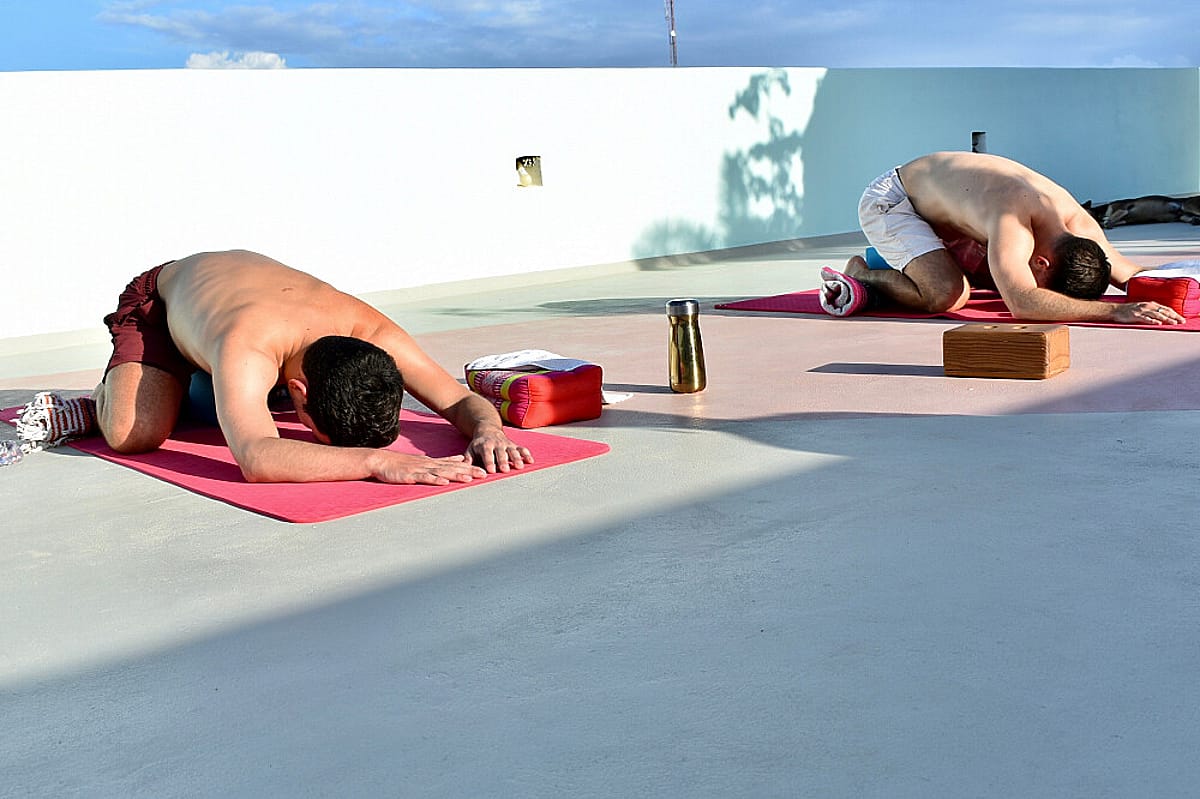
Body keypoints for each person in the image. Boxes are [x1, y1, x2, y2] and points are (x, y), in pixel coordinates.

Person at [92, 249, 534, 484]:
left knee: (218, 404)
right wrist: (379, 463)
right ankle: (105, 392)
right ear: (299, 391)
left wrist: (487, 430)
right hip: (161, 301)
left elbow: (458, 398)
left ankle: (195, 389)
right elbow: (256, 458)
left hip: (241, 315)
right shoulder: (249, 346)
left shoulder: (375, 333)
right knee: (136, 432)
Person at [823, 151, 1185, 326]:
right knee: (946, 294)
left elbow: (1130, 273)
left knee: (999, 273)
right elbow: (1024, 303)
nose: (1035, 281)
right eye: (1043, 280)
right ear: (1043, 262)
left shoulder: (1081, 230)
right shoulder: (1013, 222)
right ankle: (862, 272)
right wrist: (1116, 311)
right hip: (895, 201)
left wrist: (1187, 280)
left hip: (950, 214)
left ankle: (893, 258)